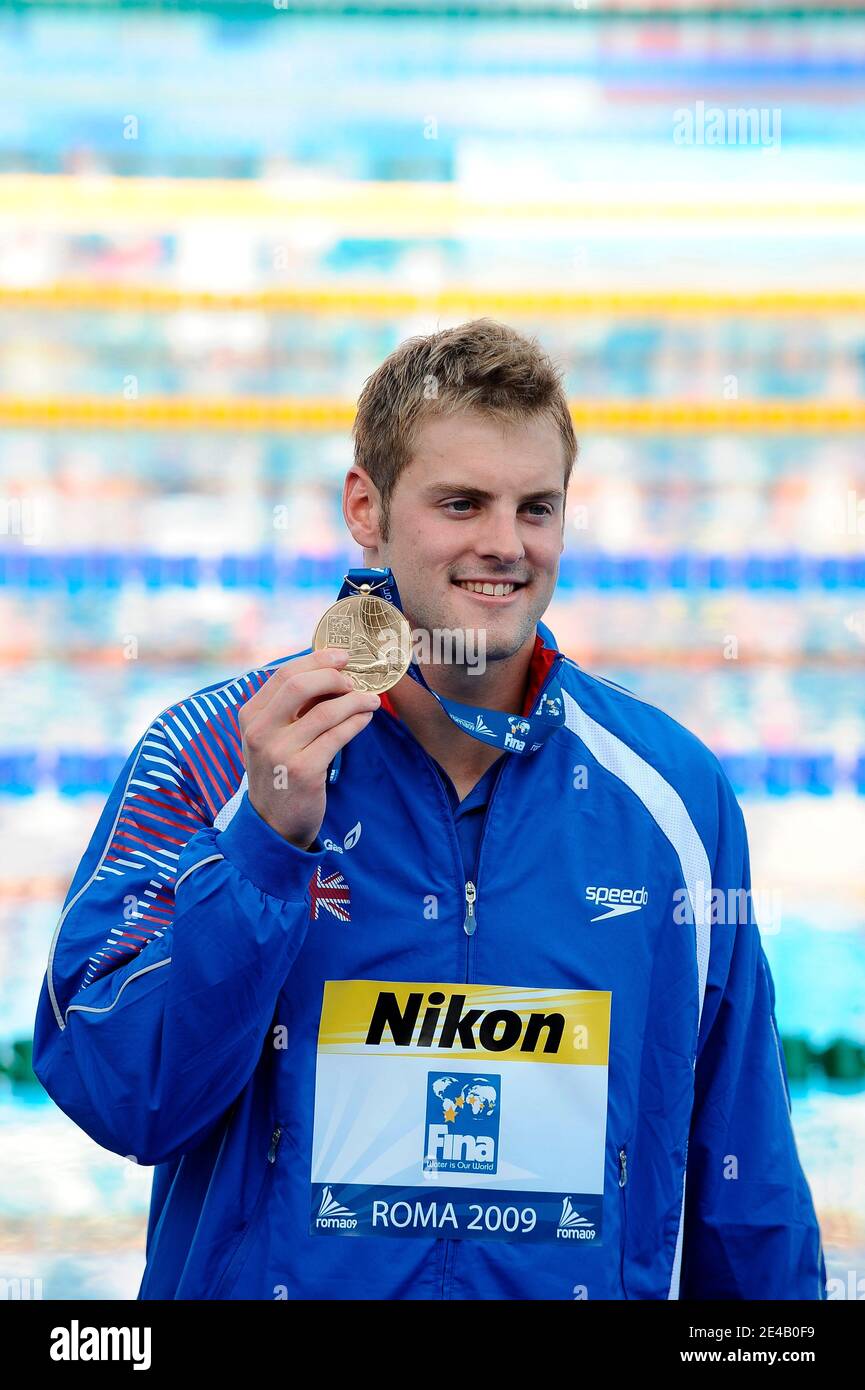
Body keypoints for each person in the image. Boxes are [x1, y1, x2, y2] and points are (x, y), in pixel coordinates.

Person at [32, 319, 826, 1301]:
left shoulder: (671, 795)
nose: (504, 544)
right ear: (365, 508)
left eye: (536, 507)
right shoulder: (208, 752)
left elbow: (742, 1175)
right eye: (461, 503)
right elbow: (123, 1098)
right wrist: (264, 845)